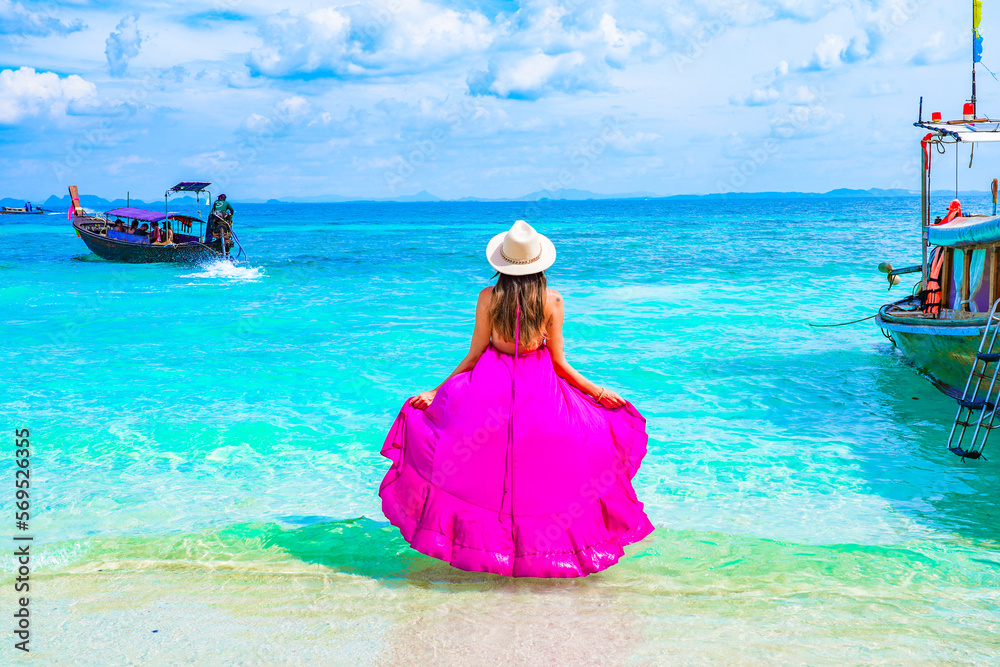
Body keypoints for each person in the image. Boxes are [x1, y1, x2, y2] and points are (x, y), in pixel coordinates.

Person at [379, 220, 653, 578]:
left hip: (486, 388)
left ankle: (482, 550)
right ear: (540, 264)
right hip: (539, 389)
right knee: (553, 470)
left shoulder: (488, 297)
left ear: (501, 264)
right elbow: (559, 363)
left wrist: (435, 392)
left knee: (475, 469)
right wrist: (598, 393)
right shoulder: (552, 300)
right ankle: (542, 555)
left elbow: (475, 354)